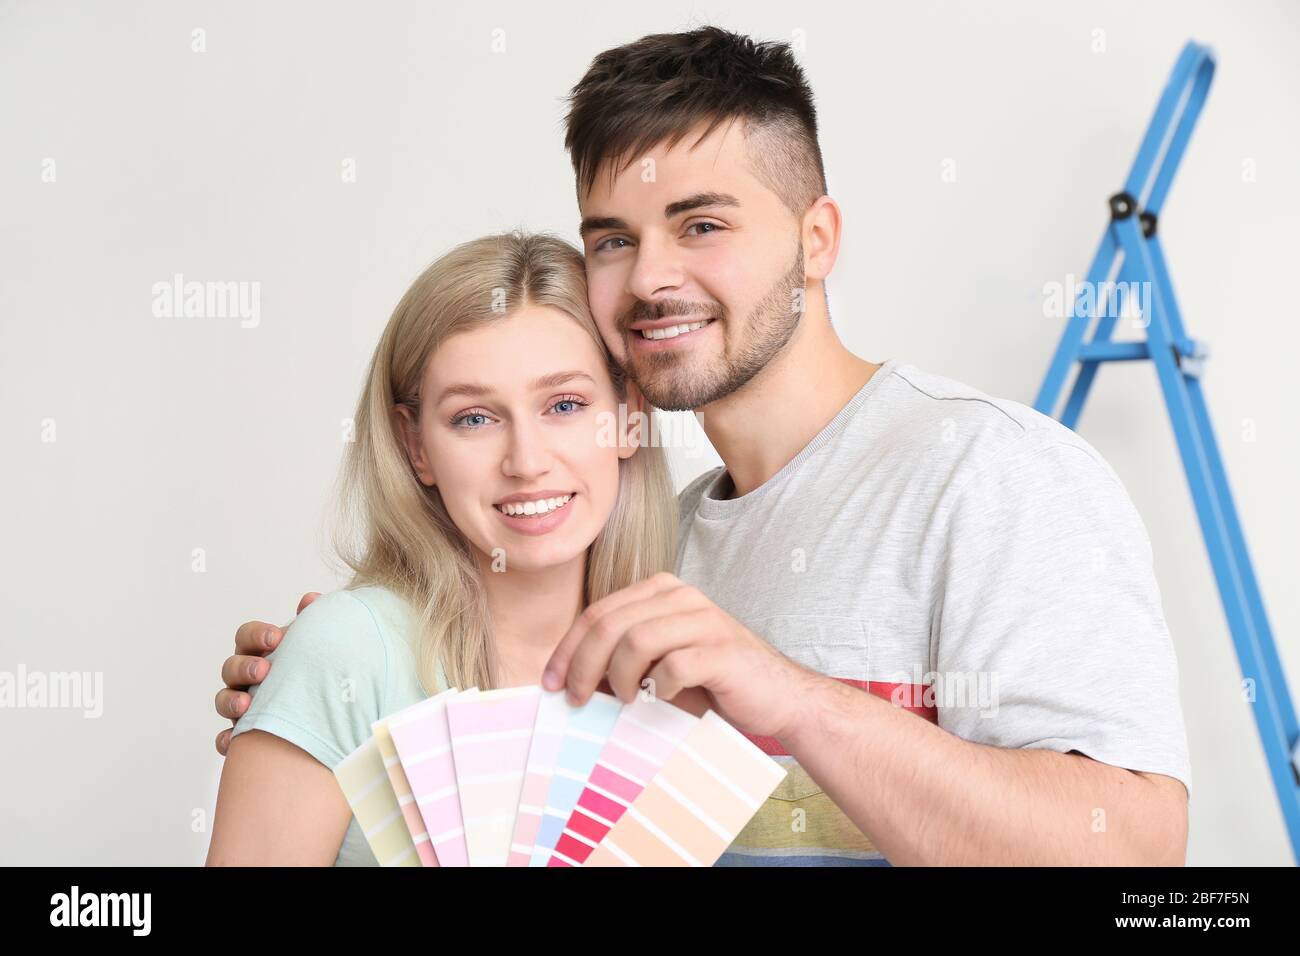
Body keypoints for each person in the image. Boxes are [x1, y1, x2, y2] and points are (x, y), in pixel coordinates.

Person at [215, 28, 1191, 866]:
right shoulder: (637, 546)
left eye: (702, 224)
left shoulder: (988, 476)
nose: (651, 279)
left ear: (816, 239)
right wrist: (349, 664)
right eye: (612, 239)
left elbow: (1136, 847)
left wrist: (800, 701)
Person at [206, 231, 688, 865]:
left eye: (565, 405)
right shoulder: (349, 653)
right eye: (474, 418)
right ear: (416, 448)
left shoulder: (680, 655)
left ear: (628, 416)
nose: (526, 461)